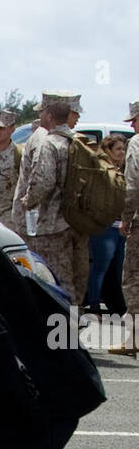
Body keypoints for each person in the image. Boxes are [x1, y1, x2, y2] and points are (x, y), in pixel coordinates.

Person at [19, 92, 79, 298]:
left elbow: (43, 181)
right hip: (75, 219)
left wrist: (26, 201)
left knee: (53, 277)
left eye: (43, 111)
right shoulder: (77, 141)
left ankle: (63, 322)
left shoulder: (49, 143)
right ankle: (73, 316)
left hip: (51, 223)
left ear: (50, 116)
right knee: (71, 275)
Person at [84, 134, 128, 316]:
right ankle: (94, 305)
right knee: (100, 267)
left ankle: (118, 304)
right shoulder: (101, 171)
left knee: (119, 269)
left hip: (122, 226)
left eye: (123, 149)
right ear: (108, 150)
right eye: (118, 149)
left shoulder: (125, 169)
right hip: (106, 227)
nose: (122, 152)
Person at [119, 101, 139, 354]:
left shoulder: (136, 143)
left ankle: (134, 338)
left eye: (134, 119)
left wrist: (125, 216)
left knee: (133, 278)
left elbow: (132, 185)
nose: (132, 125)